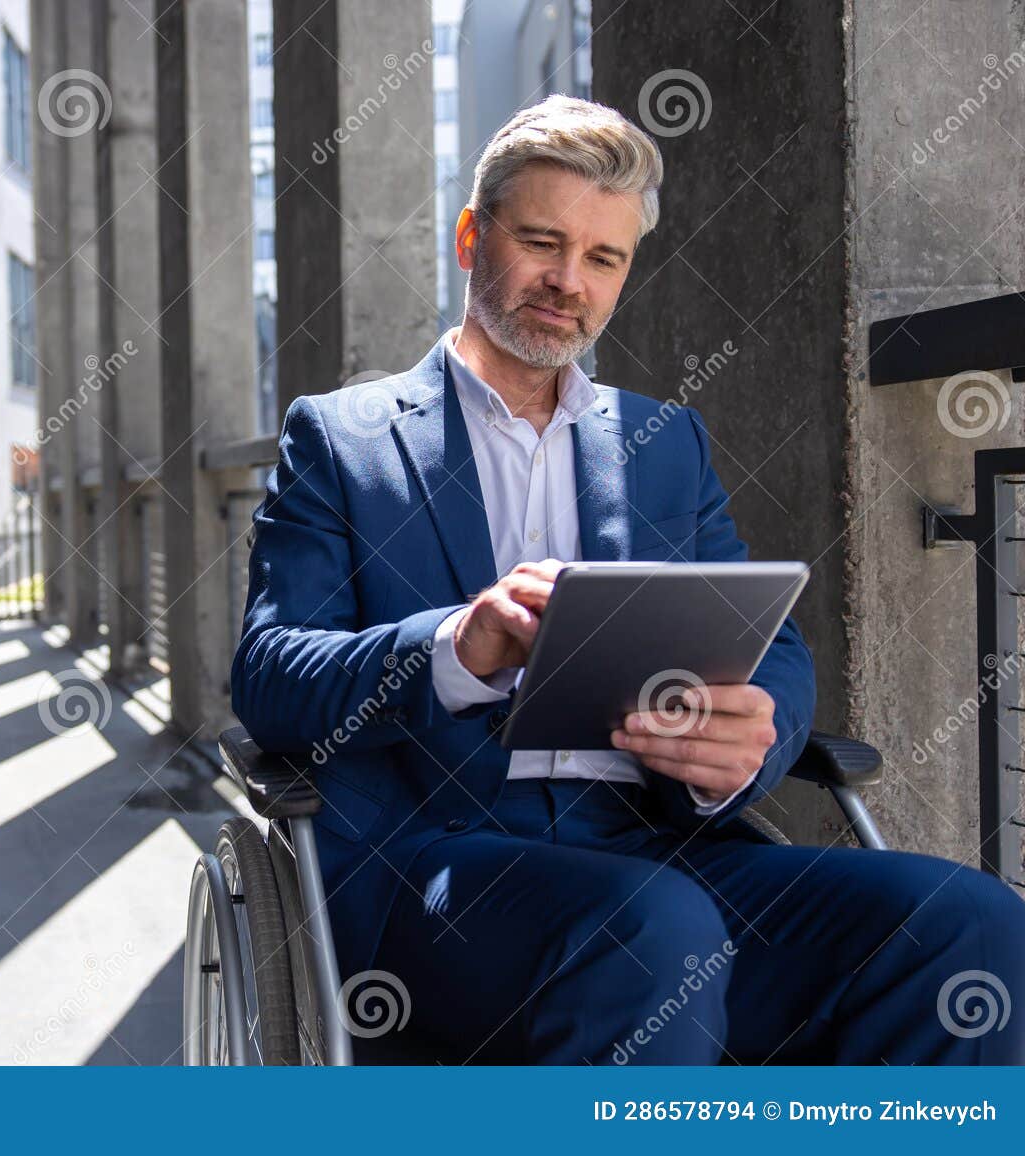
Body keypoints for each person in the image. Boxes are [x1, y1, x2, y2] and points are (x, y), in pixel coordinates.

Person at [232, 95, 1025, 1063]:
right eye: (540, 242)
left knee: (965, 922)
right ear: (472, 236)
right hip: (434, 873)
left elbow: (768, 649)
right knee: (647, 928)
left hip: (659, 842)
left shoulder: (660, 442)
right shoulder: (342, 436)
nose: (568, 281)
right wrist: (453, 647)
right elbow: (271, 677)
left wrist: (750, 744)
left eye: (602, 258)